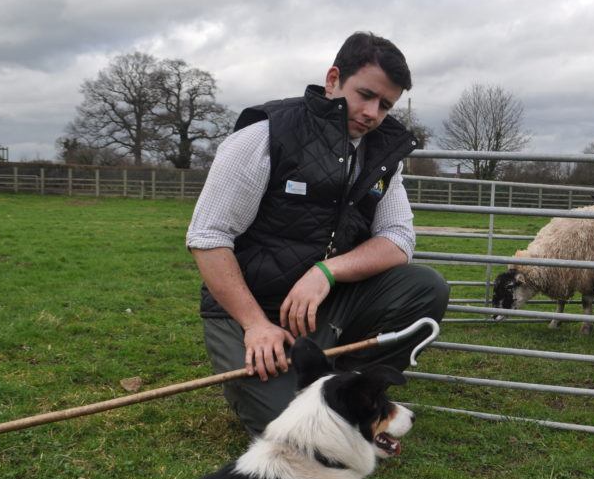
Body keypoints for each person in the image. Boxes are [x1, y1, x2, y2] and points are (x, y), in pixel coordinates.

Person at [186, 31, 448, 436]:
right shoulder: (263, 136)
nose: (372, 113)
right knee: (293, 432)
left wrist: (325, 273)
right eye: (364, 94)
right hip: (251, 310)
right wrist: (254, 324)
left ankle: (350, 385)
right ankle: (275, 384)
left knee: (425, 286)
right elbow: (208, 236)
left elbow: (398, 239)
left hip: (324, 305)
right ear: (332, 80)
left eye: (385, 105)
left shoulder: (383, 155)